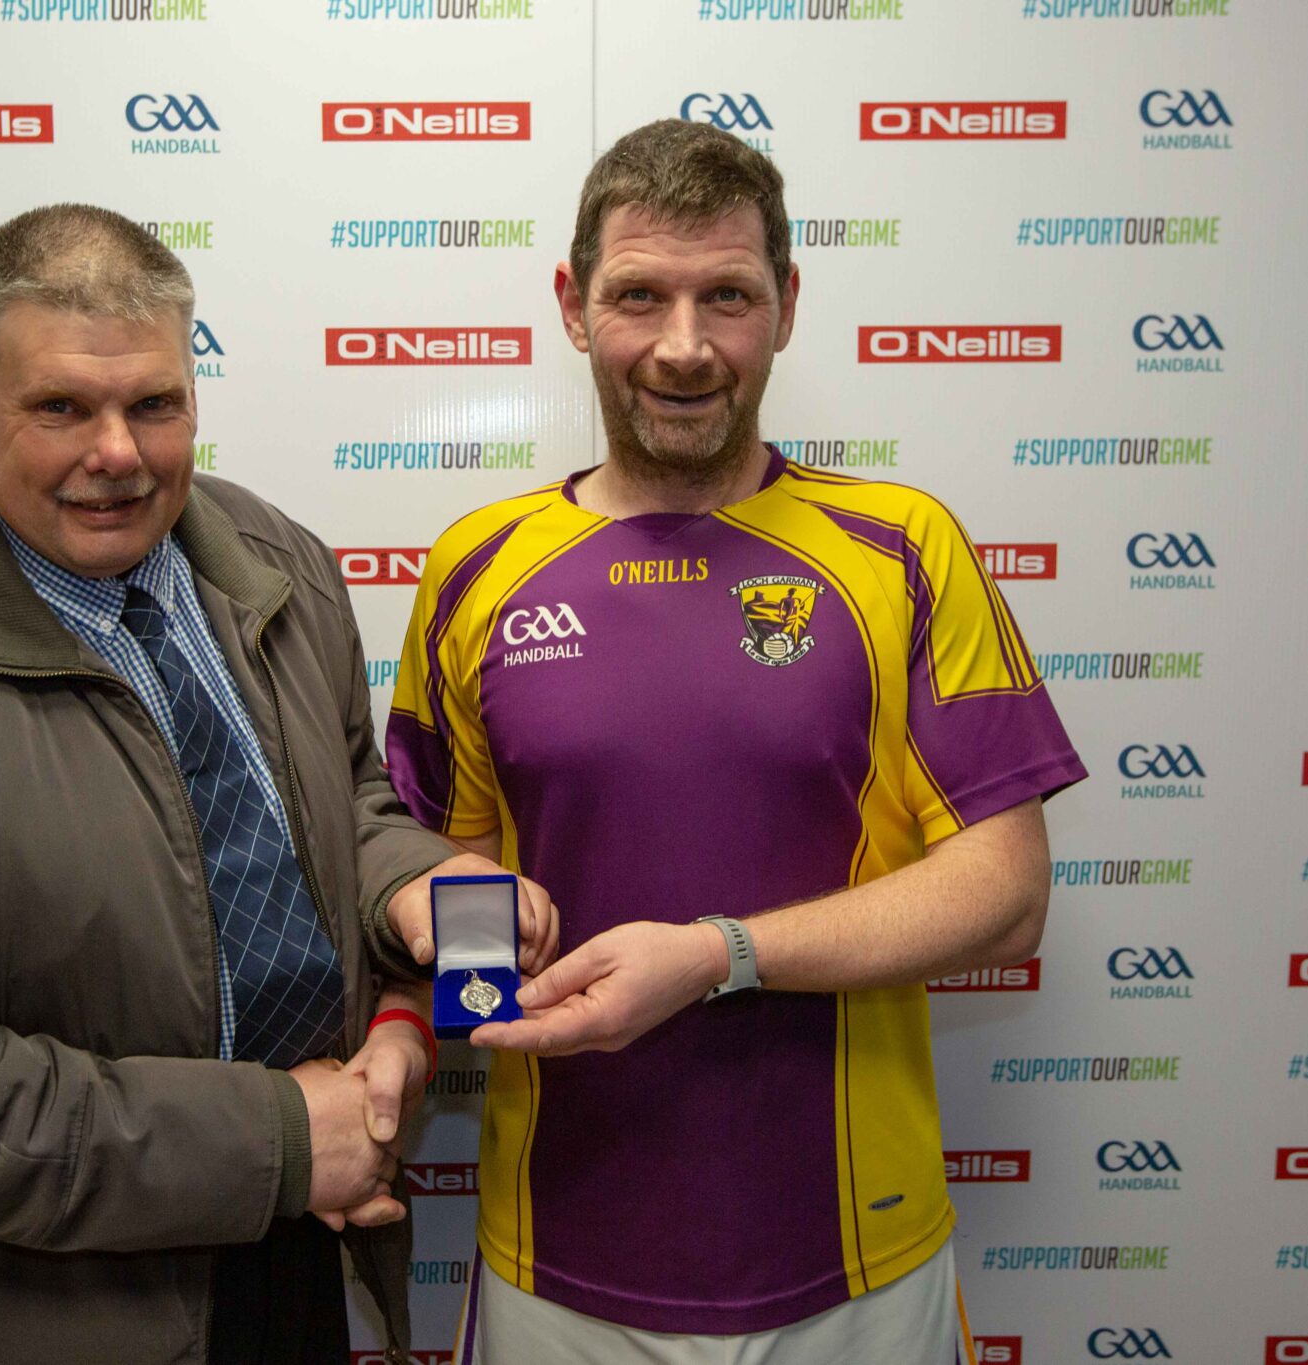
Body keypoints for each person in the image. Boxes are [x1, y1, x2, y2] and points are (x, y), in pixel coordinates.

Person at [0, 204, 554, 1365]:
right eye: (60, 406)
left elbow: (346, 807)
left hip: (301, 1250)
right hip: (41, 1312)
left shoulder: (282, 568)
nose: (116, 451)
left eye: (152, 404)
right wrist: (272, 1140)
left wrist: (418, 886)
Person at [386, 121, 1087, 1363]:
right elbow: (435, 887)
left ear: (786, 304)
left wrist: (719, 956)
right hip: (558, 1258)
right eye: (637, 296)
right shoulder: (474, 569)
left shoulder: (902, 546)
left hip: (855, 1265)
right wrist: (415, 1024)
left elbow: (1006, 895)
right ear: (570, 303)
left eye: (728, 297)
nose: (683, 346)